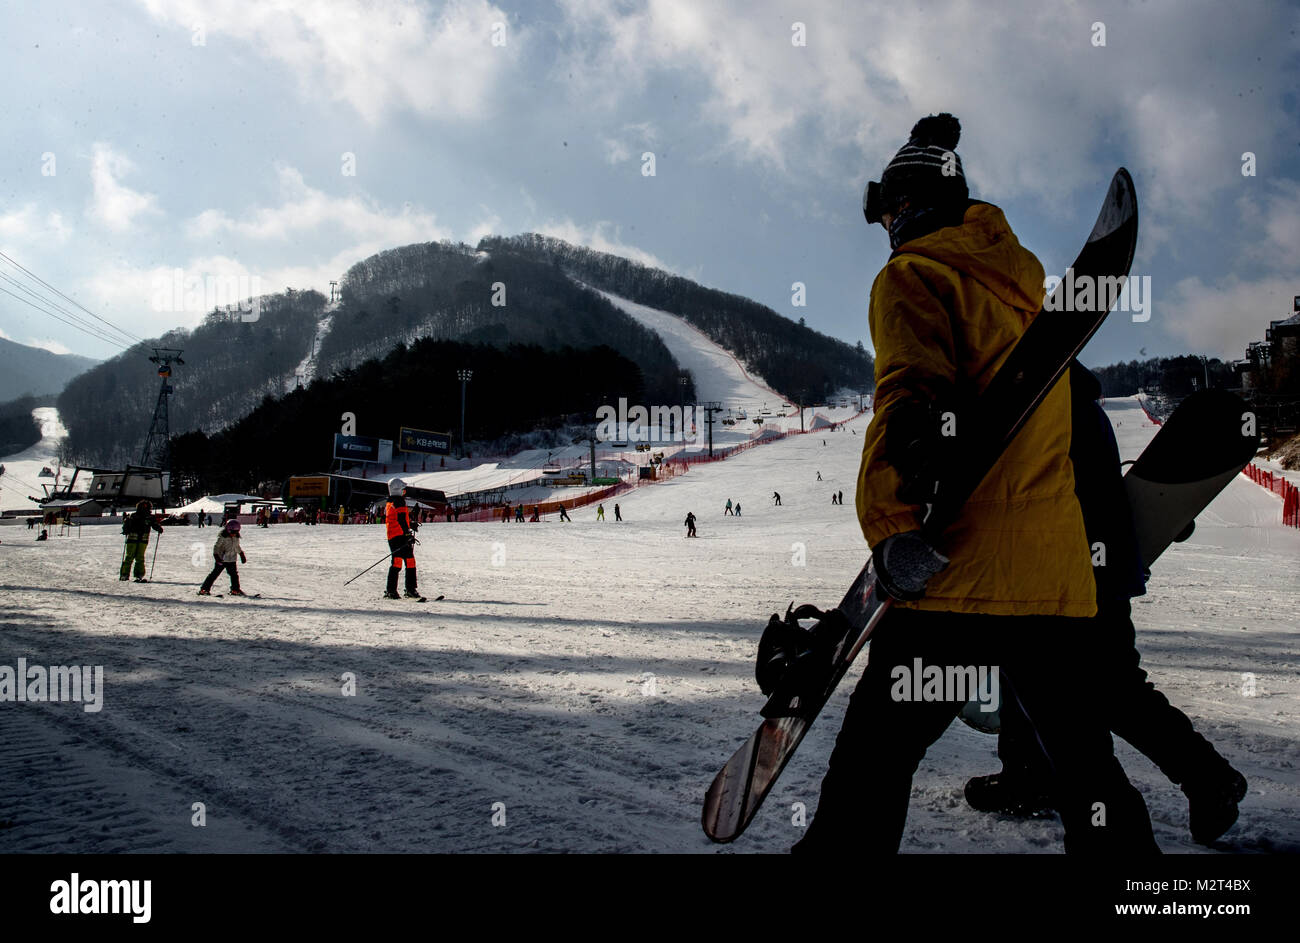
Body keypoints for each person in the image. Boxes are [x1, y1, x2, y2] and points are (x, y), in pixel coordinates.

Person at [794, 113, 1155, 855]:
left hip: (957, 585)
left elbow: (908, 396)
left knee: (875, 760)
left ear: (909, 207)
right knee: (1088, 773)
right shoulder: (1024, 293)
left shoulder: (912, 276)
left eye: (891, 213)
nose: (888, 229)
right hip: (1050, 589)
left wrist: (893, 524)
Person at [963, 364, 1248, 844]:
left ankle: (1207, 778)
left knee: (1103, 688)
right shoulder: (1069, 401)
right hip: (1086, 569)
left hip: (1067, 574)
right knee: (1052, 680)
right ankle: (1031, 776)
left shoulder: (1039, 404)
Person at [383, 478, 421, 599]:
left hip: (396, 535)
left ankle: (408, 589)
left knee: (409, 561)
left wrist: (410, 524)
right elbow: (400, 520)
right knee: (398, 562)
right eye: (403, 489)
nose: (404, 491)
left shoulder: (392, 501)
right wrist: (407, 534)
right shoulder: (398, 502)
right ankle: (392, 590)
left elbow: (401, 519)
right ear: (397, 489)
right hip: (397, 536)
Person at [198, 520, 247, 595]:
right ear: (228, 530)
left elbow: (236, 546)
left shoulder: (236, 537)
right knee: (214, 574)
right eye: (233, 532)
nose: (234, 534)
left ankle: (235, 590)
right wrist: (216, 556)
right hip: (222, 560)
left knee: (234, 575)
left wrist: (241, 554)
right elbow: (216, 547)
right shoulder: (223, 537)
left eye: (236, 532)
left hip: (232, 560)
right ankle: (204, 589)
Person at [119, 499, 164, 582]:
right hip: (142, 539)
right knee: (138, 557)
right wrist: (159, 528)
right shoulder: (148, 517)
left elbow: (127, 525)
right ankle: (137, 574)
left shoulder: (135, 516)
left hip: (134, 539)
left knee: (130, 557)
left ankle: (125, 574)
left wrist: (125, 530)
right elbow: (154, 525)